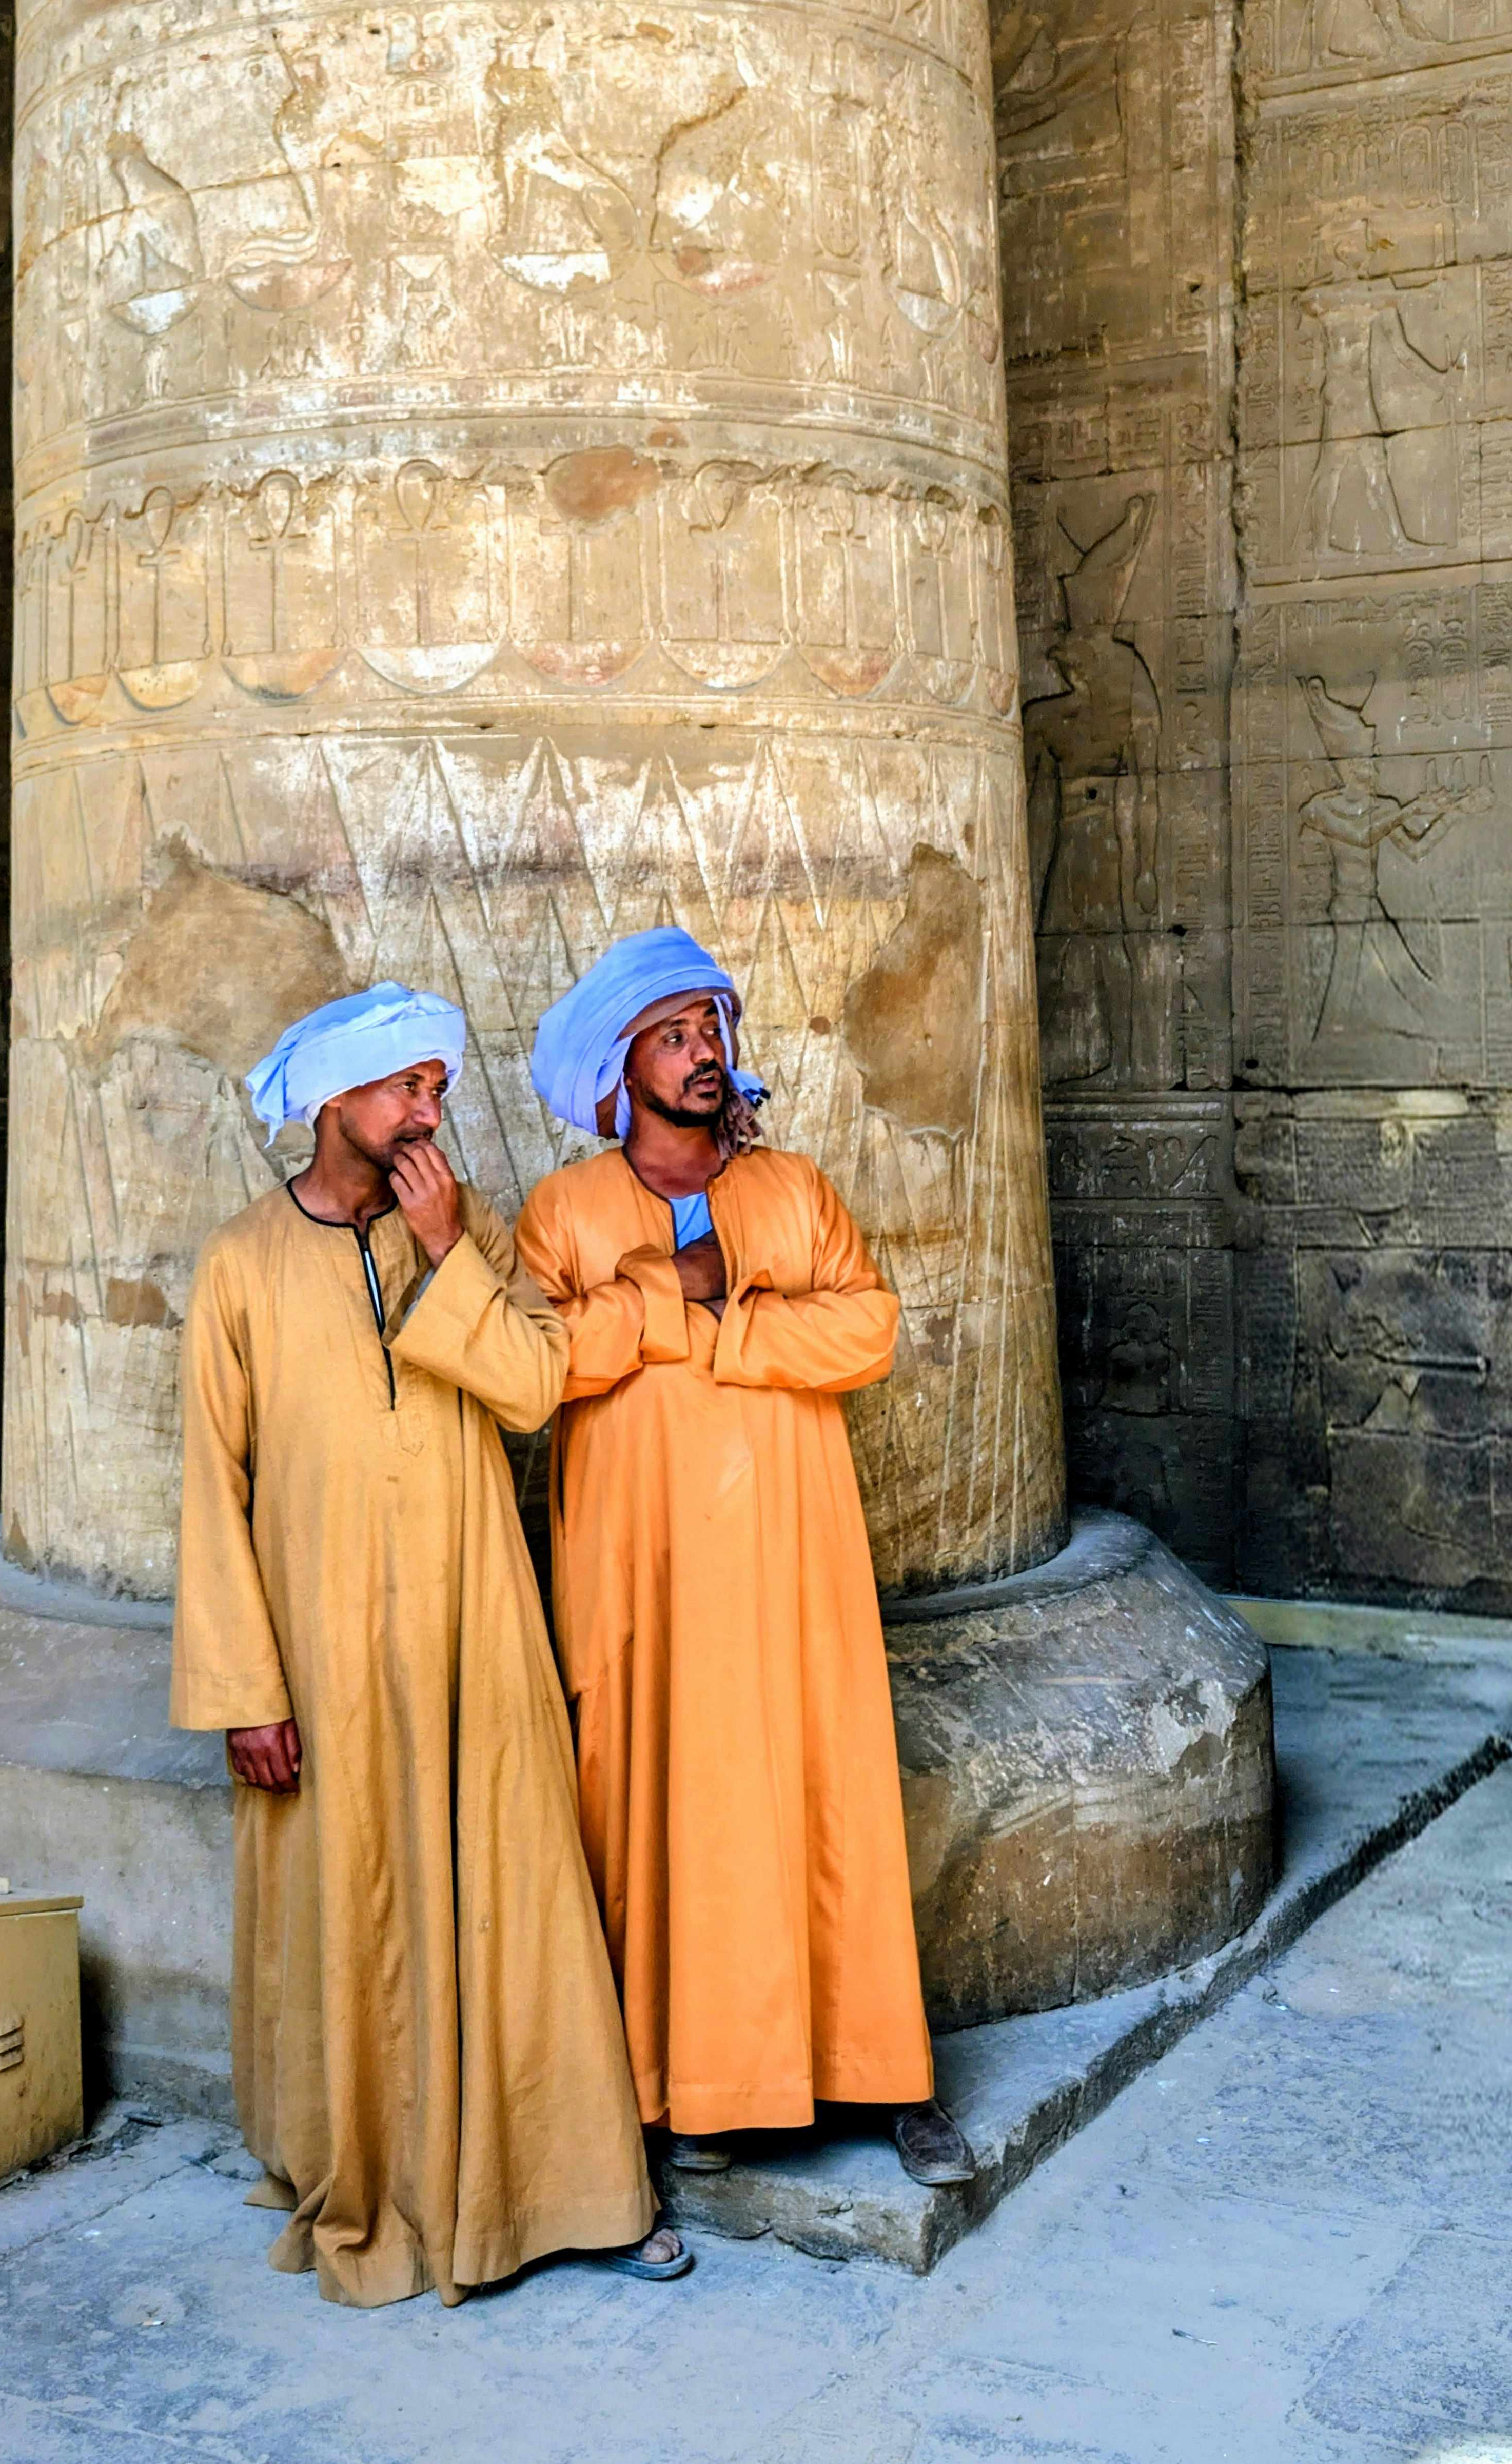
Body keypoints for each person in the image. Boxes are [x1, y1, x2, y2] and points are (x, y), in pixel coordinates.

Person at [170, 980, 682, 2307]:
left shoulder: (455, 1232)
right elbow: (210, 1491)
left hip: (474, 1630)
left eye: (439, 1090)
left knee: (508, 1887)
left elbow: (528, 1388)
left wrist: (454, 1250)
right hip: (321, 1656)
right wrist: (244, 1688)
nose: (428, 1112)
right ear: (338, 1101)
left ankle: (551, 2188)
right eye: (409, 1087)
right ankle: (370, 2172)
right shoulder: (241, 1259)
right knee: (354, 1913)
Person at [516, 930, 975, 2192]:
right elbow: (539, 1363)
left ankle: (891, 2083)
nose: (703, 1053)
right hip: (644, 1587)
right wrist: (677, 1290)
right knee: (673, 1817)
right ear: (618, 1074)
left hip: (792, 1567)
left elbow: (867, 1329)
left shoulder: (795, 1192)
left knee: (827, 1798)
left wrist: (729, 1318)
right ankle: (692, 2093)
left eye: (709, 1029)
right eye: (672, 1037)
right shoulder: (562, 1213)